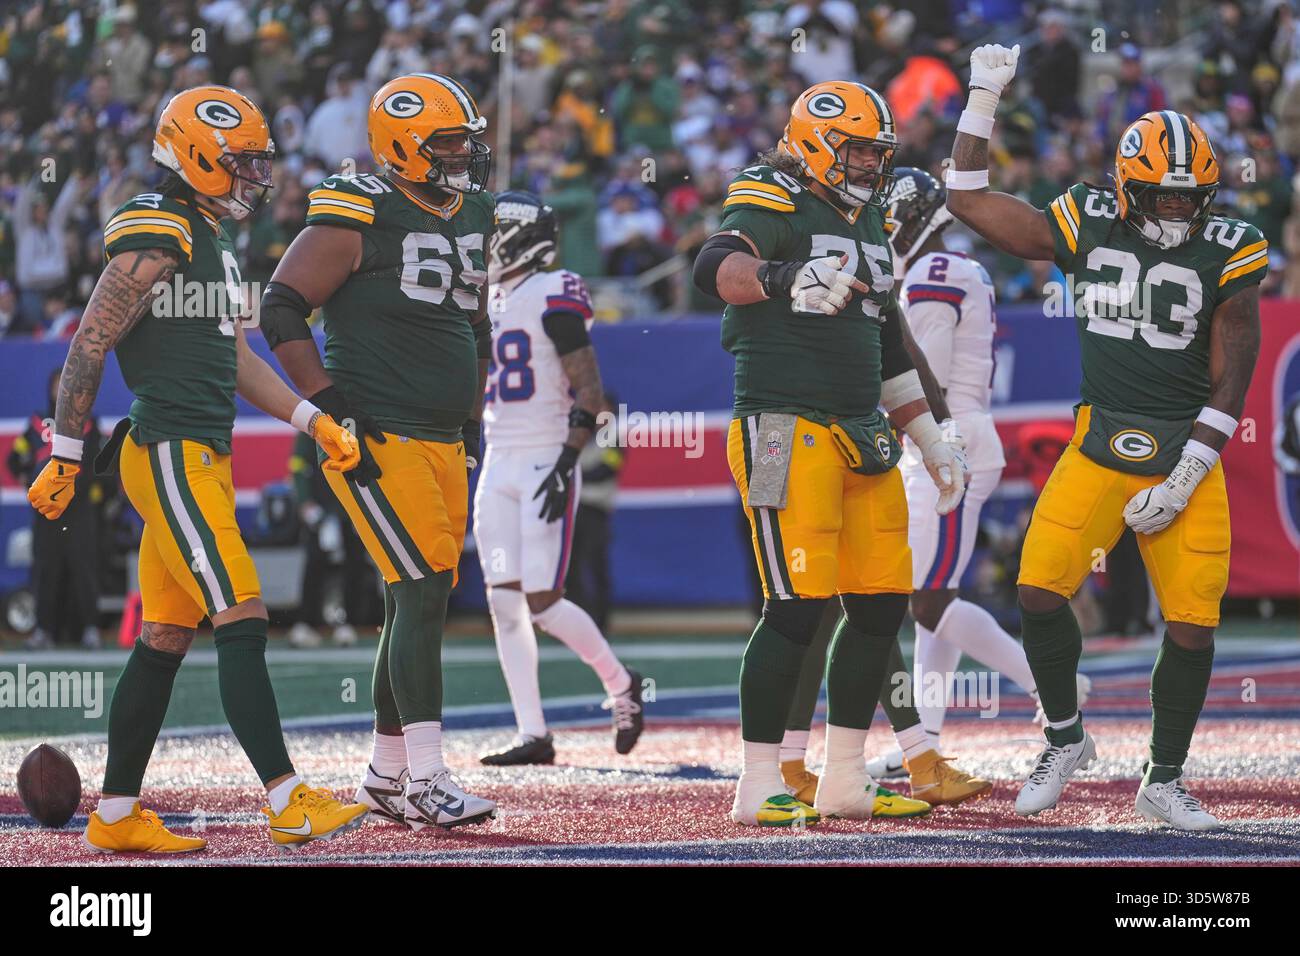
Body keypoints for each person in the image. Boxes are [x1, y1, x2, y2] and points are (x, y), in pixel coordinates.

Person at [26, 85, 368, 853]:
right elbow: (90, 340)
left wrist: (312, 419)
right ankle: (287, 800)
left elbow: (238, 357)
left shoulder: (213, 237)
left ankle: (115, 815)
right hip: (170, 448)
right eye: (240, 162)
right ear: (197, 155)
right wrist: (67, 452)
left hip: (198, 452)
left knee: (166, 637)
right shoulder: (158, 225)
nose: (253, 176)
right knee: (241, 612)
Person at [946, 45, 1267, 831]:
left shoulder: (1230, 248)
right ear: (1126, 188)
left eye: (1189, 200)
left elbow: (1233, 375)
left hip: (1184, 452)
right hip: (1099, 443)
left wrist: (1189, 474)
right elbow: (965, 198)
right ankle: (1064, 738)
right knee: (1035, 590)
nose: (1175, 212)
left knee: (1192, 626)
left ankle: (1164, 777)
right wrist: (984, 95)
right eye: (1159, 197)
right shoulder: (1084, 221)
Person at [692, 81, 971, 826]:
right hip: (781, 427)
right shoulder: (771, 189)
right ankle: (758, 783)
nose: (871, 164)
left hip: (862, 430)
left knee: (881, 607)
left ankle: (845, 776)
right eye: (858, 149)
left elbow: (883, 344)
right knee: (794, 607)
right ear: (816, 141)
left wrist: (930, 436)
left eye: (879, 151)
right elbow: (714, 265)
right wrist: (784, 278)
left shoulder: (869, 218)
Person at [261, 73, 497, 831]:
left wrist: (469, 424)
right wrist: (328, 410)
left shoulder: (477, 213)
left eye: (465, 138)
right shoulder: (360, 207)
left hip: (442, 434)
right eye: (447, 142)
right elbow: (282, 305)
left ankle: (387, 774)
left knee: (414, 594)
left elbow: (475, 328)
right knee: (423, 589)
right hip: (379, 431)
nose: (463, 153)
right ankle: (427, 776)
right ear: (402, 145)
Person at [474, 192, 644, 766]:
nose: (487, 238)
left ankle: (621, 683)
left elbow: (591, 392)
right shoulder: (488, 296)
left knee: (543, 603)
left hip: (546, 453)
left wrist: (567, 463)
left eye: (496, 229)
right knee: (502, 599)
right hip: (498, 456)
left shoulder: (555, 289)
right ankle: (533, 732)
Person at [8, 368, 103, 648]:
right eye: (57, 384)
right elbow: (15, 458)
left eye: (67, 384)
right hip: (46, 512)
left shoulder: (88, 423)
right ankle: (43, 631)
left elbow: (100, 465)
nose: (62, 389)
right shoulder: (37, 423)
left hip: (79, 510)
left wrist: (85, 491)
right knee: (44, 570)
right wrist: (28, 478)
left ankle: (90, 628)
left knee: (84, 566)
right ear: (51, 389)